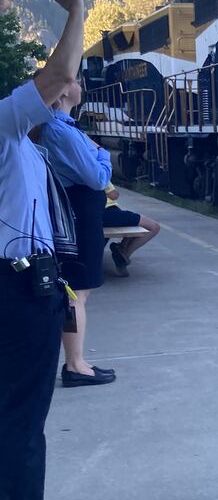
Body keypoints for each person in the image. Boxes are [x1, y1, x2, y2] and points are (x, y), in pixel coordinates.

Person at [0, 0, 85, 499]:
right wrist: (76, 11)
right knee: (19, 428)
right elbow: (56, 78)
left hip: (23, 285)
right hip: (14, 289)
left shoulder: (16, 133)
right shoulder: (3, 122)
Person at [36, 73, 115, 387]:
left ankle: (76, 361)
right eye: (77, 82)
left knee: (79, 290)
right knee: (76, 291)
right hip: (79, 215)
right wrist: (103, 153)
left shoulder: (62, 128)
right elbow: (96, 178)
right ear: (63, 92)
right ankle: (75, 365)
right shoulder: (60, 130)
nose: (82, 86)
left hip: (81, 214)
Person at [102, 182, 160, 277]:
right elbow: (114, 194)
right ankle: (124, 254)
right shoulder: (100, 172)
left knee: (131, 225)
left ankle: (122, 248)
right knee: (153, 227)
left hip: (91, 213)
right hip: (109, 212)